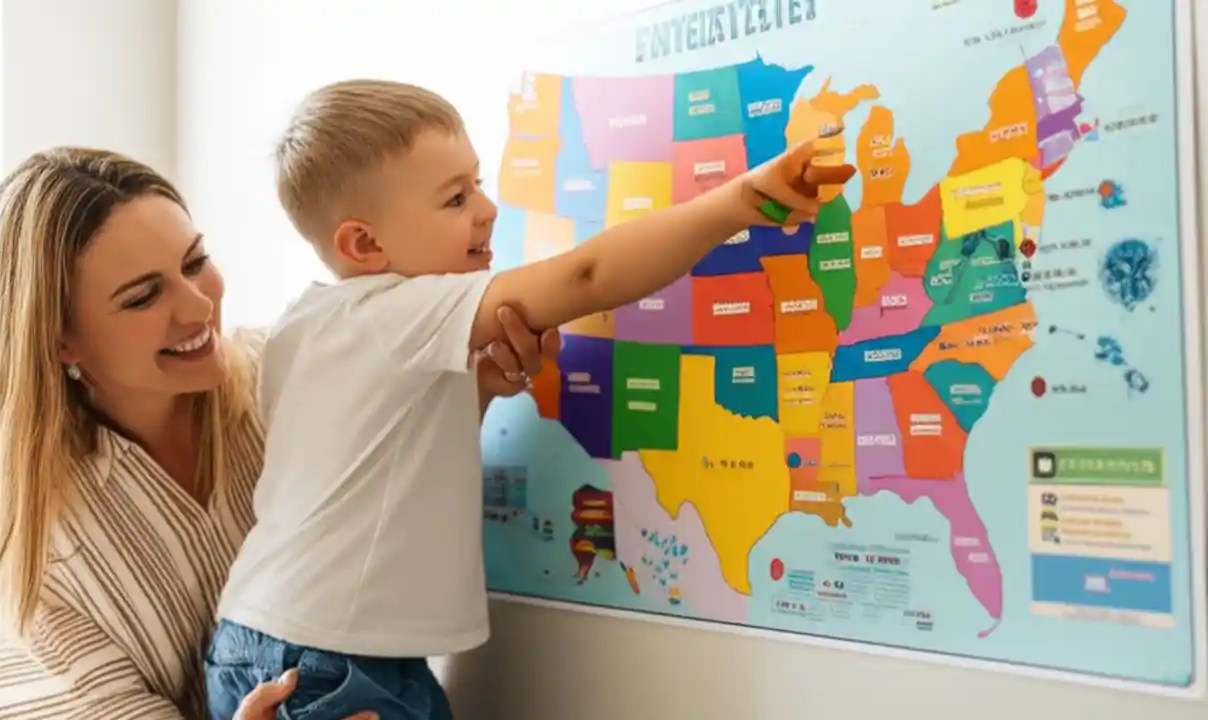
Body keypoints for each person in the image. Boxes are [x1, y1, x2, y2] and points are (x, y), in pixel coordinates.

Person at [205, 79, 856, 720]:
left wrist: (481, 390)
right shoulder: (396, 308)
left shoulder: (308, 324)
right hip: (323, 663)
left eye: (478, 182)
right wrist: (738, 203)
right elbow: (586, 276)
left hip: (287, 641)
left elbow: (382, 458)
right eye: (455, 198)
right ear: (365, 245)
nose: (487, 209)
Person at [0, 146, 559, 720]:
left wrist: (468, 393)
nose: (197, 307)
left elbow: (389, 504)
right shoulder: (36, 563)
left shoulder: (293, 372)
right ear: (59, 340)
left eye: (195, 262)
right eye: (142, 298)